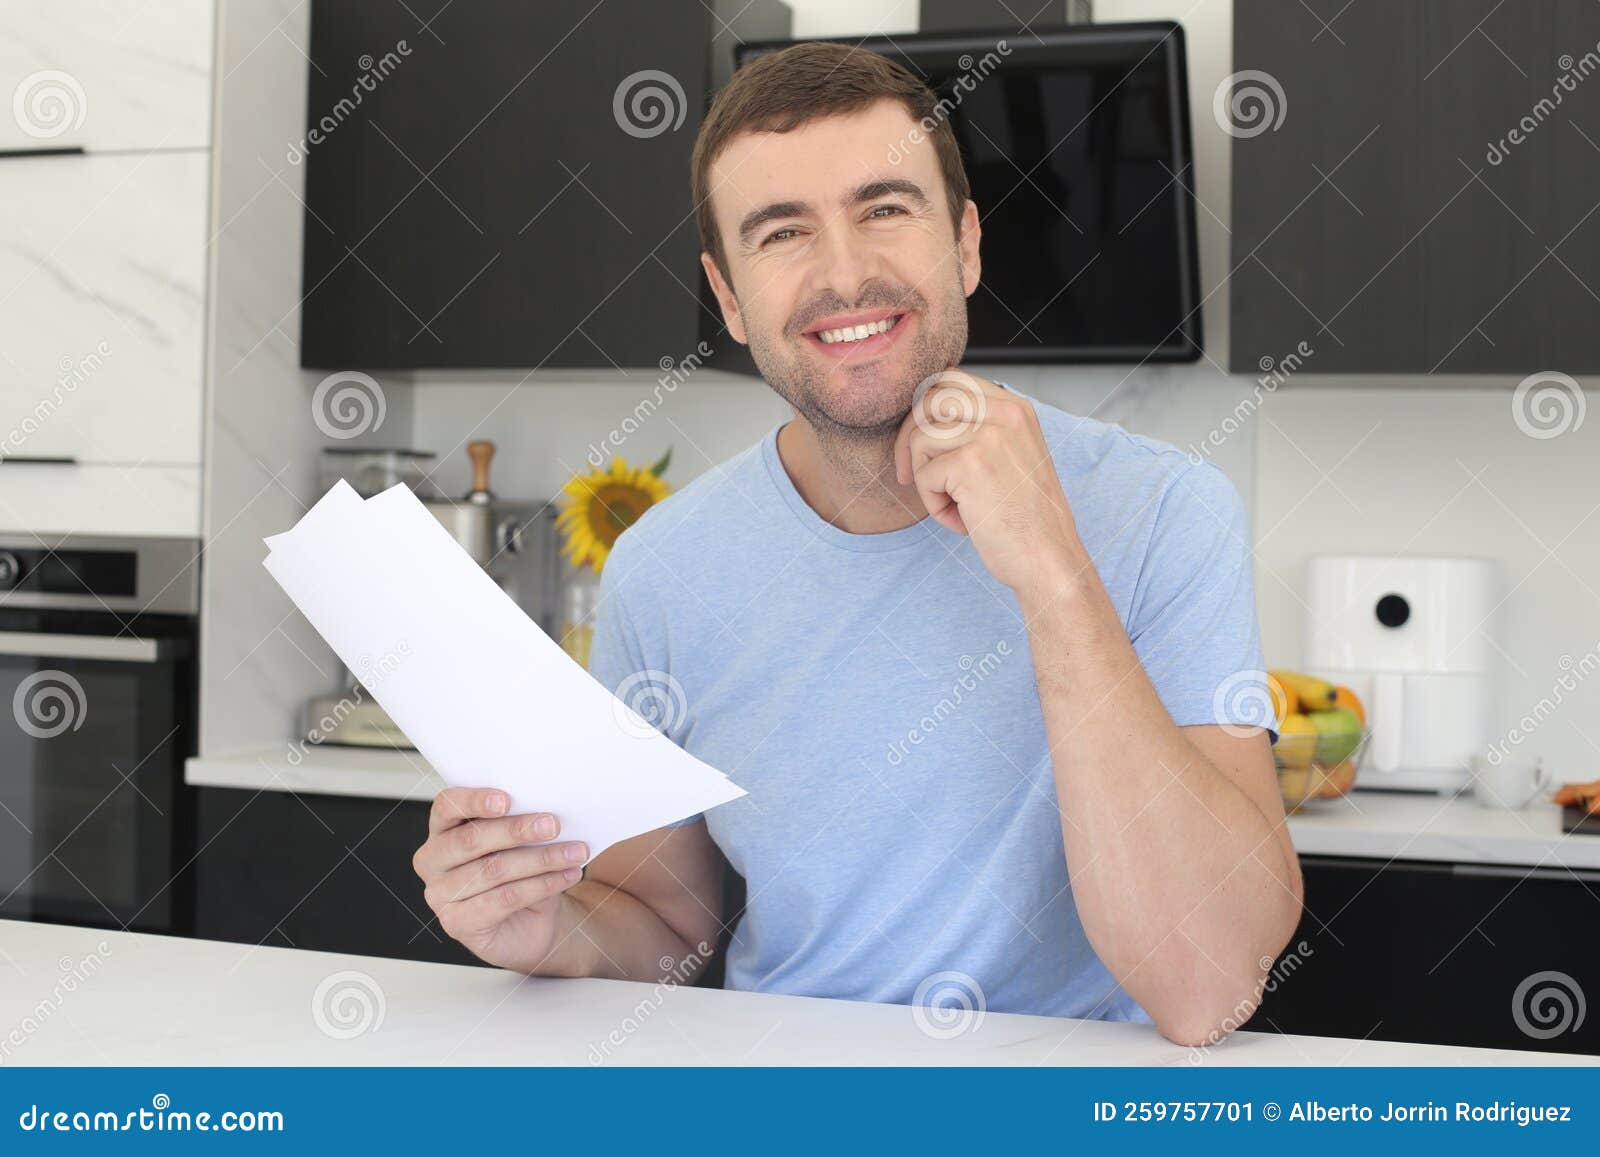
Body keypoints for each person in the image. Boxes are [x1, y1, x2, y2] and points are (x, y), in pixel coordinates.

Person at [412, 41, 1301, 1046]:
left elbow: (1206, 984)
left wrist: (1052, 573)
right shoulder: (663, 569)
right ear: (731, 298)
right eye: (783, 231)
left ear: (965, 242)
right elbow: (663, 923)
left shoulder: (1167, 511)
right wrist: (550, 927)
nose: (844, 272)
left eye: (884, 208)